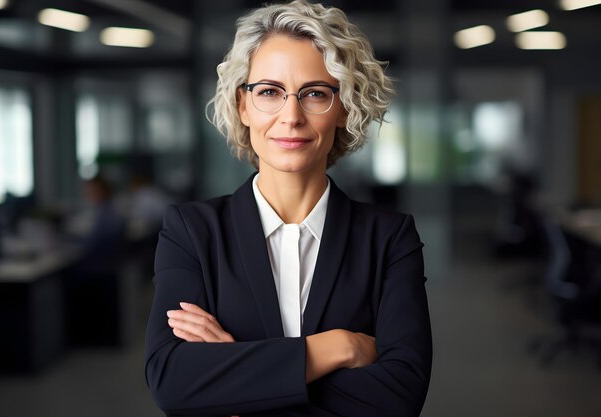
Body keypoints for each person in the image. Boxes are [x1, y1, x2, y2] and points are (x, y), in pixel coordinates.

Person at [144, 1, 432, 416]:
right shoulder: (192, 231)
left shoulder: (389, 238)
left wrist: (239, 372)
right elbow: (172, 382)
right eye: (268, 92)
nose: (291, 116)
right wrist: (337, 347)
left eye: (315, 93)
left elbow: (400, 397)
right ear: (243, 106)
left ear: (344, 108)